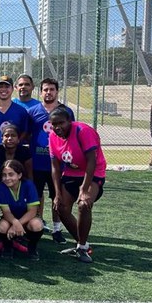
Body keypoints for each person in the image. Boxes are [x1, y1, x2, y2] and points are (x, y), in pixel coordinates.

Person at [49, 107, 107, 264]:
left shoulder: (83, 131)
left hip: (93, 173)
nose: (57, 127)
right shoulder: (53, 136)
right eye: (54, 124)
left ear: (70, 121)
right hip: (71, 174)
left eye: (61, 123)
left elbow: (92, 161)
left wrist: (84, 188)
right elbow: (55, 167)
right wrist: (57, 194)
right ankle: (84, 244)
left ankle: (81, 247)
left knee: (84, 204)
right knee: (60, 207)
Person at [26, 78, 74, 243]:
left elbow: (71, 136)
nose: (48, 92)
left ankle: (56, 229)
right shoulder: (32, 111)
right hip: (37, 162)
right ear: (41, 92)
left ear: (57, 91)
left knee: (57, 197)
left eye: (51, 89)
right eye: (45, 89)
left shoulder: (66, 111)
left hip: (59, 163)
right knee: (36, 196)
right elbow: (27, 134)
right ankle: (37, 225)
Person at [0, 160, 44, 259]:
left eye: (11, 174)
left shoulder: (28, 185)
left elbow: (32, 211)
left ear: (19, 175)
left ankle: (32, 248)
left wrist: (18, 224)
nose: (7, 178)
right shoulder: (1, 187)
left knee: (37, 225)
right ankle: (7, 248)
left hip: (28, 218)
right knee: (2, 226)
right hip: (10, 218)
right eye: (4, 175)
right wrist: (15, 222)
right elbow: (6, 212)